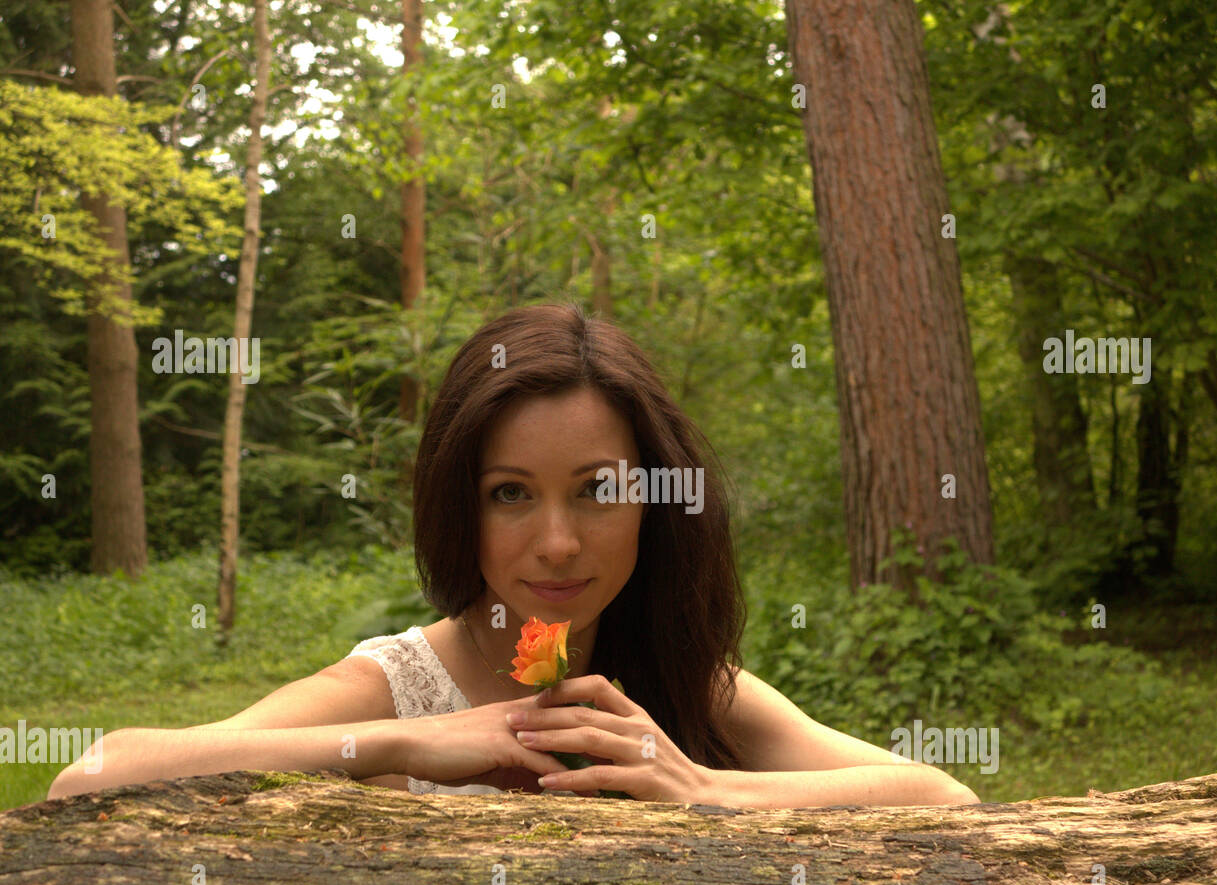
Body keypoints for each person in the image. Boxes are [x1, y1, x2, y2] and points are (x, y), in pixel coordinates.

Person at [48, 303, 978, 808]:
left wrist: (701, 788)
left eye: (599, 490)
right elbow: (92, 773)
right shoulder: (399, 685)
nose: (559, 542)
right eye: (511, 494)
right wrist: (411, 741)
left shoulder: (683, 684)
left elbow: (939, 795)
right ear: (464, 509)